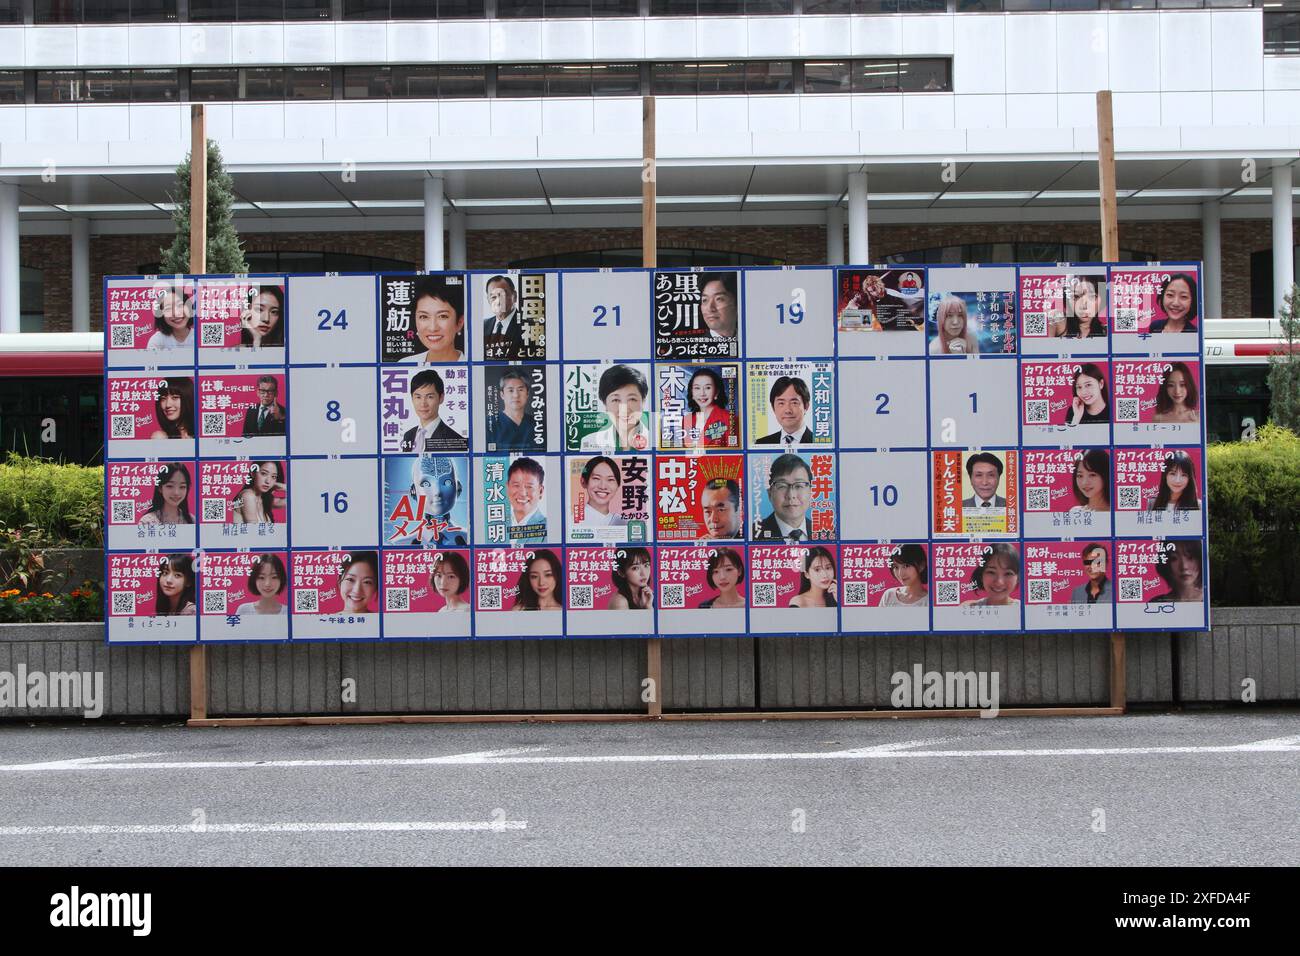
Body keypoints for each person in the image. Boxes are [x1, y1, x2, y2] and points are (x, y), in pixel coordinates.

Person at [401, 456, 467, 547]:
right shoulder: (398, 545)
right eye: (426, 484)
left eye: (447, 482)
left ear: (458, 488)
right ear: (414, 491)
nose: (437, 492)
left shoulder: (470, 541)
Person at [583, 364, 651, 452]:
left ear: (643, 401)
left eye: (632, 399)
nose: (624, 409)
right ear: (605, 404)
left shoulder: (658, 441)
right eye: (615, 400)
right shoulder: (589, 442)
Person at [400, 276, 466, 364]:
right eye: (424, 317)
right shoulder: (404, 364)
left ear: (459, 322)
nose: (433, 328)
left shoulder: (474, 367)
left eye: (442, 316)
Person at [400, 368, 466, 452]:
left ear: (441, 398)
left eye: (430, 397)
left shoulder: (454, 441)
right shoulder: (408, 435)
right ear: (412, 398)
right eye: (418, 397)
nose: (423, 403)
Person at [753, 453, 813, 543]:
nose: (791, 495)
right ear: (770, 494)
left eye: (799, 486)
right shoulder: (752, 534)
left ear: (811, 492)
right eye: (782, 486)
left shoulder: (827, 534)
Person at [681, 366, 734, 448]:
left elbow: (735, 454)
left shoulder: (729, 418)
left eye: (707, 388)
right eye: (697, 388)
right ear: (692, 393)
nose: (702, 393)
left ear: (716, 392)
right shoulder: (687, 420)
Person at [755, 376, 813, 447]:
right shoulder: (761, 444)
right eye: (781, 403)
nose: (788, 410)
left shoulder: (819, 443)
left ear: (806, 406)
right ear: (773, 408)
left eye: (794, 403)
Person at [573, 456, 627, 529]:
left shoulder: (624, 523)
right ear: (583, 482)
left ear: (618, 485)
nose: (603, 486)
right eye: (596, 478)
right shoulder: (572, 521)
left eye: (610, 479)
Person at [488, 367, 535, 450]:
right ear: (502, 394)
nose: (516, 395)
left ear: (527, 393)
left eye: (520, 390)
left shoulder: (537, 423)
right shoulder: (489, 423)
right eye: (510, 390)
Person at [481, 275, 526, 359]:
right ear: (488, 300)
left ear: (514, 296)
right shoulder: (482, 326)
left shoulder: (528, 326)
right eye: (493, 297)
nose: (498, 301)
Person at [138, 462, 193, 527]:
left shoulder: (192, 520)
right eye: (170, 486)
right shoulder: (147, 522)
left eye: (182, 487)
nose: (176, 493)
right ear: (160, 488)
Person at [231, 461, 285, 525]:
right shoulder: (248, 496)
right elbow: (254, 531)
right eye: (264, 473)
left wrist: (284, 487)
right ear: (253, 473)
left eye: (273, 477)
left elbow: (294, 501)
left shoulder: (264, 499)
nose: (268, 481)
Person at [146, 284, 194, 350]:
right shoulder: (157, 340)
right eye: (168, 308)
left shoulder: (200, 337)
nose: (176, 313)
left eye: (180, 305)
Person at [506, 457, 546, 531]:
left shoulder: (548, 527)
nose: (522, 493)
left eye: (529, 487)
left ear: (540, 491)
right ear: (507, 487)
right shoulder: (499, 524)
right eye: (516, 485)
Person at [698, 272, 738, 340]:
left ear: (736, 303)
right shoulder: (695, 348)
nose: (710, 308)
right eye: (705, 300)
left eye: (719, 299)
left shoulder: (752, 339)